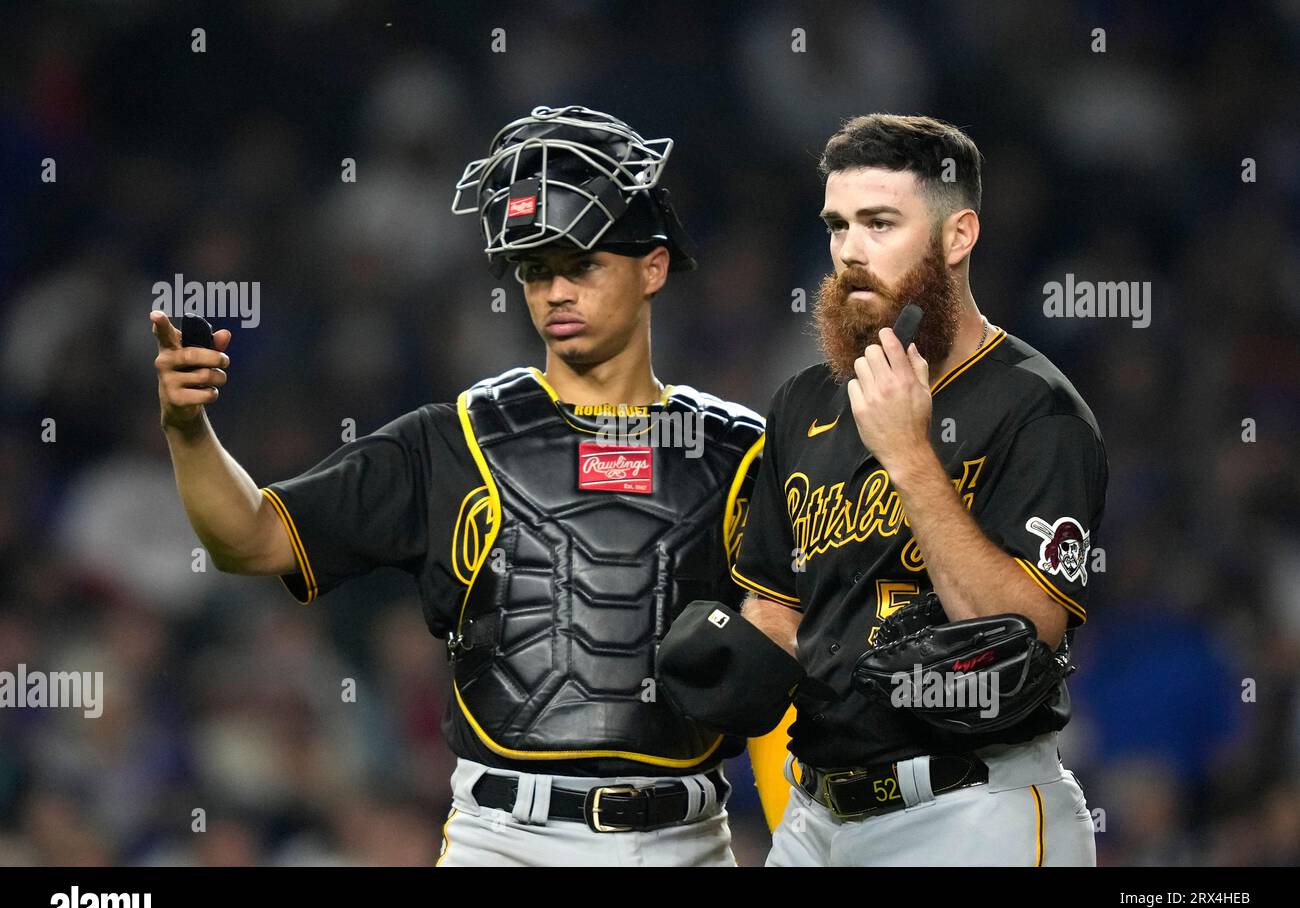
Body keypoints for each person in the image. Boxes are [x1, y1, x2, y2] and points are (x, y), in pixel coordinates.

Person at [151, 105, 764, 867]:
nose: (555, 292)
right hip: (506, 842)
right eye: (535, 271)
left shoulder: (739, 453)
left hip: (688, 840)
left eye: (582, 265)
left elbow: (791, 654)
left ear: (653, 266)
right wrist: (187, 431)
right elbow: (251, 539)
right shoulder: (453, 440)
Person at [732, 113, 1107, 866]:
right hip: (815, 816)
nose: (849, 252)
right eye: (838, 226)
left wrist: (908, 454)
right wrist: (732, 664)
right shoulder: (805, 401)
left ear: (957, 235)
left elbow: (1022, 633)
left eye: (879, 223)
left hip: (971, 812)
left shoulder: (1036, 407)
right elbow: (777, 602)